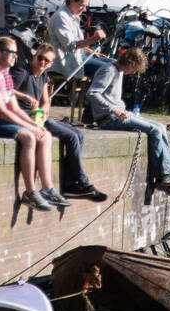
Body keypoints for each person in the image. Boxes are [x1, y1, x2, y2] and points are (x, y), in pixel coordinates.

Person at [0, 36, 68, 211]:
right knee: (28, 137)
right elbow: (1, 111)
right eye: (11, 52)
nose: (15, 57)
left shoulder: (5, 75)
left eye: (16, 53)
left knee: (45, 136)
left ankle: (48, 188)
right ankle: (29, 192)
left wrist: (35, 125)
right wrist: (29, 127)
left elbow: (15, 108)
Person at [86, 47, 170, 192]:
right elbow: (92, 93)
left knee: (160, 126)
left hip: (121, 113)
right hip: (109, 118)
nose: (135, 72)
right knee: (154, 130)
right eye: (135, 69)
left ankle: (169, 173)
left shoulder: (118, 70)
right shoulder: (109, 70)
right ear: (129, 62)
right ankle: (163, 175)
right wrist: (113, 109)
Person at [11, 43, 107, 202]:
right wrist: (25, 97)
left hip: (39, 116)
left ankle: (70, 184)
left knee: (79, 134)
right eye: (40, 58)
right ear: (34, 57)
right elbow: (7, 89)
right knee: (71, 136)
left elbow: (46, 100)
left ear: (51, 63)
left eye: (47, 61)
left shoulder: (43, 77)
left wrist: (44, 109)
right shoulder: (22, 71)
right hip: (25, 116)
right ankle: (83, 183)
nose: (42, 63)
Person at [47, 0, 106, 80]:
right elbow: (71, 46)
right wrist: (94, 39)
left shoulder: (72, 14)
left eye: (85, 6)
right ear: (71, 1)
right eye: (82, 5)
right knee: (108, 69)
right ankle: (95, 93)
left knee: (114, 62)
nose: (84, 9)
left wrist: (89, 51)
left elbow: (75, 41)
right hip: (67, 60)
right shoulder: (61, 17)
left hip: (79, 55)